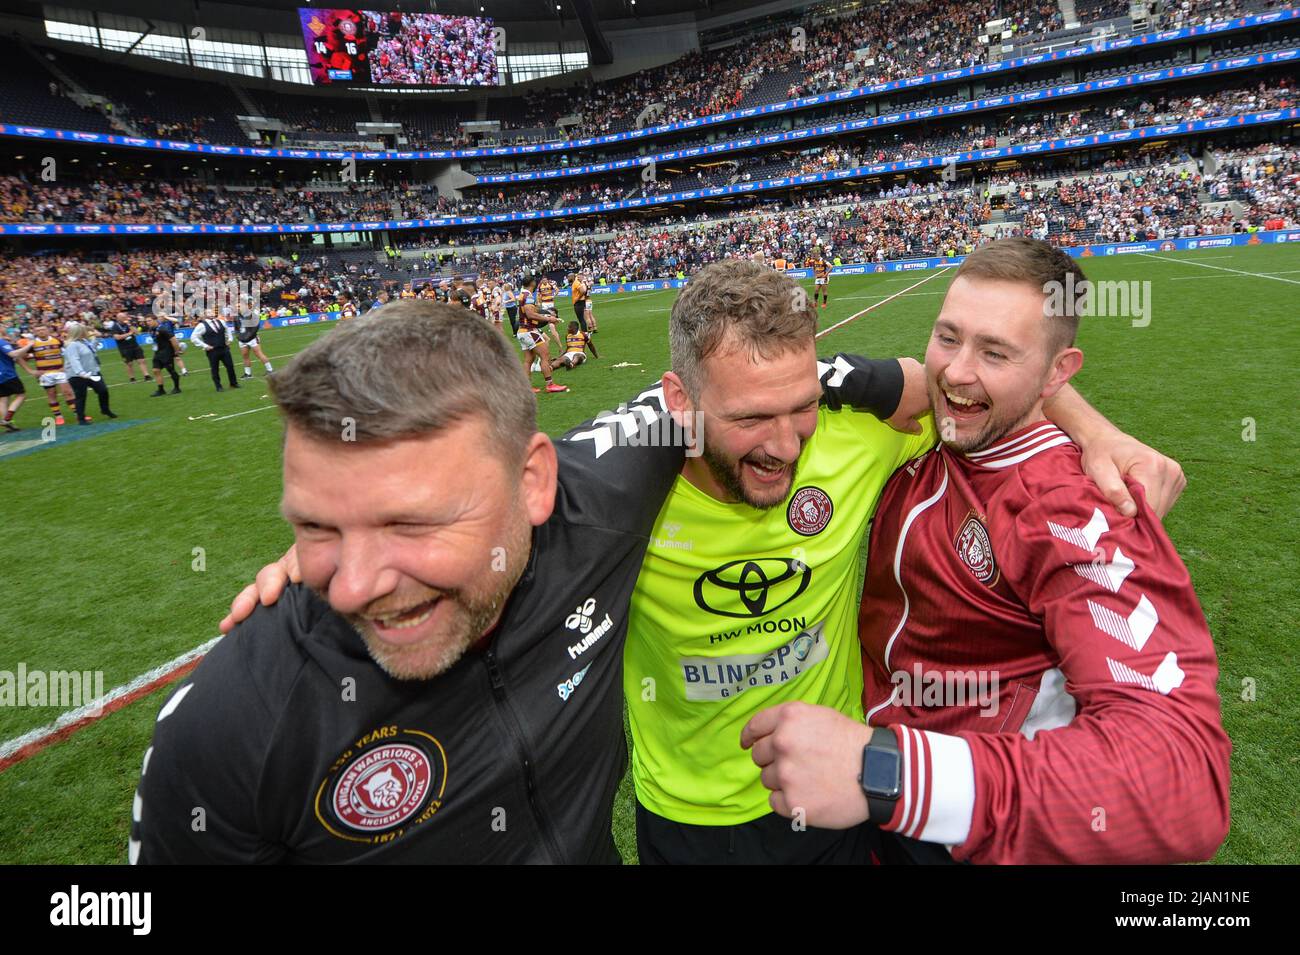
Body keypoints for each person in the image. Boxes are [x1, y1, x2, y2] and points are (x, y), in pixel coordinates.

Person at [219, 262, 1183, 865]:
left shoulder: (855, 427)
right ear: (679, 400)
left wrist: (1092, 423)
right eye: (750, 418)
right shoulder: (621, 485)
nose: (785, 442)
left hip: (849, 789)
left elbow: (974, 387)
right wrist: (347, 546)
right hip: (693, 818)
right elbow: (477, 504)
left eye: (798, 402)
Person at [130, 301, 693, 863]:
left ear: (533, 484)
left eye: (410, 523)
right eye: (316, 526)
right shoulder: (229, 722)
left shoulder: (596, 500)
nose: (351, 590)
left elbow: (718, 385)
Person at [741, 237, 1229, 864]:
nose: (956, 372)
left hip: (974, 831)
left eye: (995, 351)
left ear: (1059, 373)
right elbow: (766, 380)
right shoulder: (929, 427)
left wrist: (894, 774)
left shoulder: (1077, 508)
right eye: (948, 338)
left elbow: (1180, 782)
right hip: (879, 802)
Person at [516, 275, 567, 394]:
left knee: (529, 360)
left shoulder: (522, 294)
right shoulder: (528, 295)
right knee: (545, 356)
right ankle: (550, 385)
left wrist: (546, 316)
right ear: (533, 283)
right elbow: (530, 314)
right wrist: (548, 319)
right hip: (529, 331)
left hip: (522, 331)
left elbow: (530, 312)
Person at [62, 322, 118, 425]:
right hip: (77, 375)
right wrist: (80, 372)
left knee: (103, 390)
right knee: (81, 396)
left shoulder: (84, 341)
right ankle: (81, 418)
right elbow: (74, 360)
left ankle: (105, 409)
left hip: (92, 372)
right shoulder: (72, 345)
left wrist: (95, 339)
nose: (87, 332)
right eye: (85, 331)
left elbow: (93, 350)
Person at [24, 322, 74, 425]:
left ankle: (78, 414)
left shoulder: (57, 340)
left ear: (48, 330)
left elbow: (70, 351)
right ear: (34, 332)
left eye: (43, 329)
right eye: (38, 330)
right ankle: (58, 416)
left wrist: (66, 366)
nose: (41, 331)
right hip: (45, 374)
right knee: (52, 394)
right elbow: (20, 357)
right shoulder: (32, 344)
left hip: (60, 371)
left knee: (68, 392)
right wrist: (31, 370)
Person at [192, 310, 241, 392]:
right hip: (212, 351)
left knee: (230, 366)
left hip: (224, 348)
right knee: (215, 369)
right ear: (205, 315)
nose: (211, 314)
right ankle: (218, 386)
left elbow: (227, 330)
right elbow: (193, 337)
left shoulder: (221, 321)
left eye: (212, 312)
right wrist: (205, 346)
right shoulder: (201, 325)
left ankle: (233, 383)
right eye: (208, 312)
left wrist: (230, 339)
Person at [0, 333, 34, 431]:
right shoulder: (1, 342)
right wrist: (29, 345)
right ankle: (6, 419)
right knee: (21, 395)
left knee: (3, 398)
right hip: (6, 373)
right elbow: (14, 354)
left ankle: (7, 424)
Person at [107, 313, 150, 382]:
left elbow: (137, 333)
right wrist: (129, 334)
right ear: (118, 318)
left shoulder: (129, 324)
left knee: (141, 360)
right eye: (123, 317)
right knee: (129, 363)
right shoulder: (115, 326)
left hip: (135, 345)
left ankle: (146, 375)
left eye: (125, 317)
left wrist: (130, 325)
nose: (125, 318)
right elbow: (117, 337)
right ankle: (132, 378)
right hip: (124, 348)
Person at [146, 316, 182, 396]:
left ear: (155, 320)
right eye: (147, 321)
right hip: (158, 353)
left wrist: (177, 351)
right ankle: (161, 390)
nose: (148, 322)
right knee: (155, 370)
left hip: (167, 353)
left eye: (149, 320)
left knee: (171, 370)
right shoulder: (151, 330)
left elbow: (173, 339)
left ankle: (177, 388)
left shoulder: (163, 329)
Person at [235, 311, 274, 379]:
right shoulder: (236, 316)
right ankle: (248, 374)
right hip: (242, 339)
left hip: (252, 338)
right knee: (245, 356)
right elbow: (236, 328)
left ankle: (270, 370)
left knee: (259, 354)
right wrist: (238, 336)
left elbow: (256, 327)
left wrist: (249, 336)